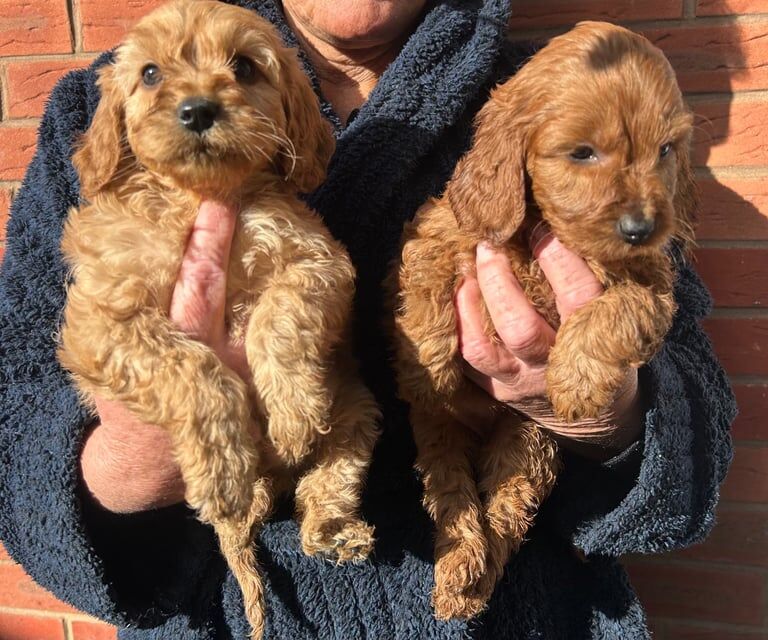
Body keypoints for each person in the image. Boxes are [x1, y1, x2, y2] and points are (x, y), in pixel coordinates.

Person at [0, 0, 735, 638]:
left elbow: (691, 449)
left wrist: (604, 418)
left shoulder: (578, 91)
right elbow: (16, 417)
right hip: (224, 613)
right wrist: (146, 445)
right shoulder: (105, 101)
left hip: (516, 613)